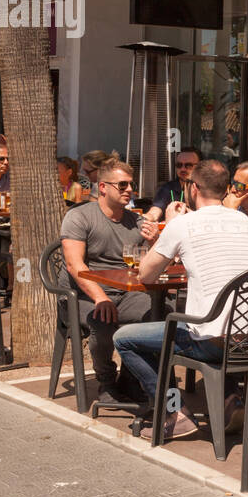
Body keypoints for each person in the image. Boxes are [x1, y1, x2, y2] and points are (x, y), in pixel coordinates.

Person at [113, 159, 248, 438]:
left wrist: (170, 225)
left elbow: (146, 275)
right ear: (226, 189)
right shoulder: (243, 220)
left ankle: (174, 411)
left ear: (193, 188)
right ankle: (231, 402)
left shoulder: (183, 224)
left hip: (212, 341)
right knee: (214, 319)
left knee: (125, 338)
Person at [60, 159, 160, 406]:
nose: (129, 190)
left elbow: (149, 265)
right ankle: (106, 381)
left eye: (131, 185)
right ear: (103, 187)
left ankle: (130, 376)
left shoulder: (136, 221)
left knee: (159, 313)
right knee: (103, 319)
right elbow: (75, 265)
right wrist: (100, 297)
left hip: (124, 292)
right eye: (122, 185)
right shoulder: (79, 216)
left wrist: (155, 242)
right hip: (82, 294)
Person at [145, 147, 200, 221]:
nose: (183, 169)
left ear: (199, 167)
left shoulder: (206, 188)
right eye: (179, 165)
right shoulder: (168, 188)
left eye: (188, 165)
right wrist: (146, 218)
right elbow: (155, 211)